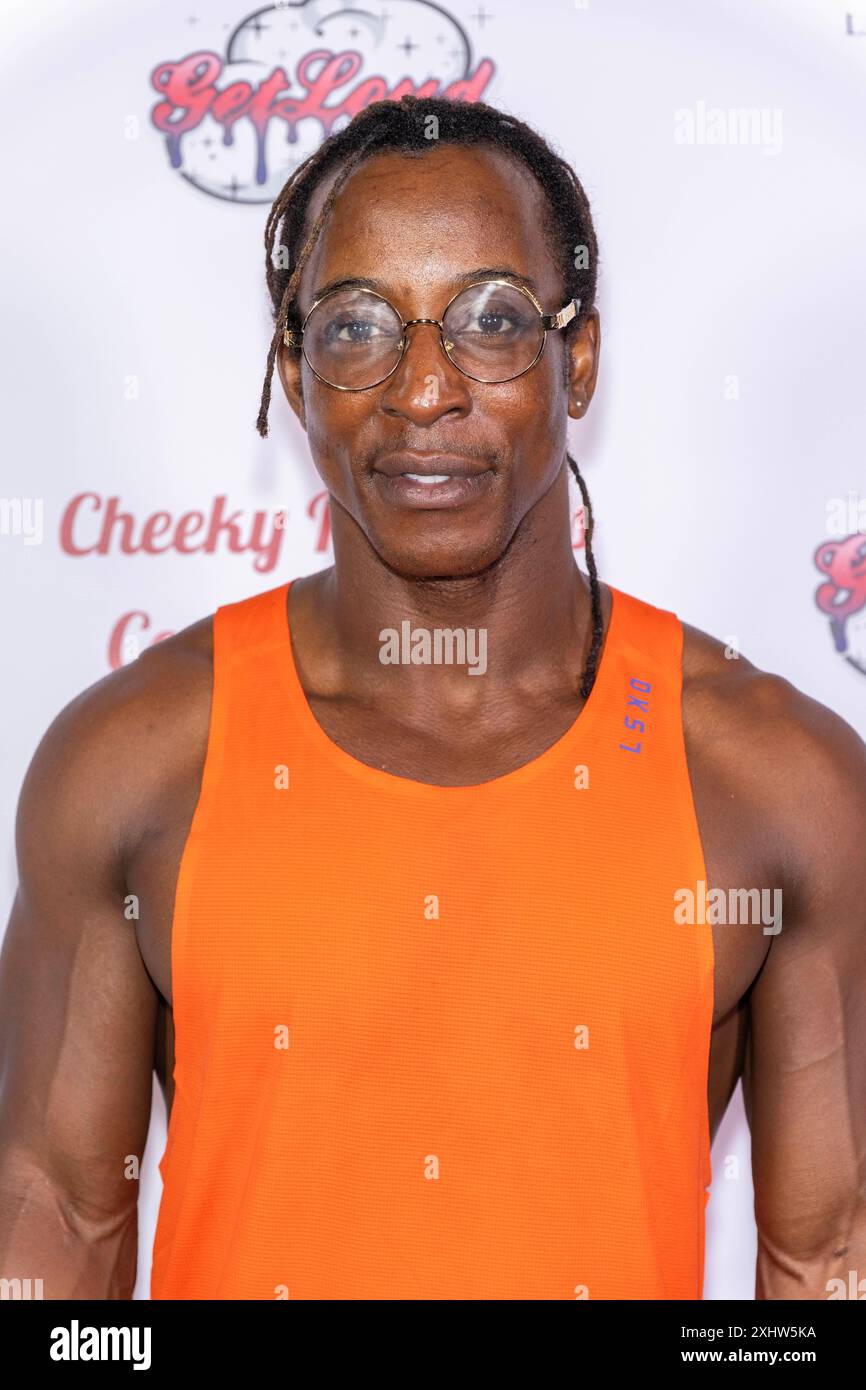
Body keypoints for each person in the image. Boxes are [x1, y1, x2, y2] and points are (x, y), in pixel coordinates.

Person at [1, 95, 864, 1301]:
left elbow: (823, 1265)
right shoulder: (134, 758)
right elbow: (56, 1224)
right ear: (294, 372)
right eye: (357, 327)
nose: (421, 390)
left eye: (491, 320)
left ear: (577, 357)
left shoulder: (773, 776)